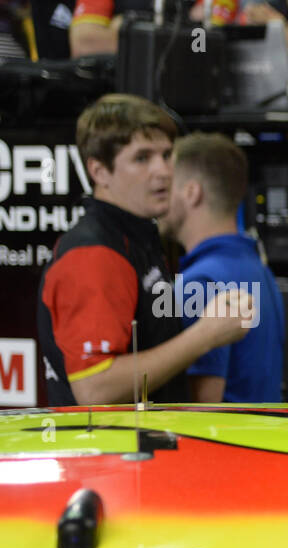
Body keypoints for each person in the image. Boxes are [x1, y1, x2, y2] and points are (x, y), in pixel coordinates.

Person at [36, 94, 250, 406]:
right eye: (142, 158)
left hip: (142, 449)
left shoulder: (140, 237)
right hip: (105, 452)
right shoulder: (95, 253)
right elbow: (95, 389)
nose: (162, 170)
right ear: (99, 172)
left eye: (166, 155)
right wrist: (206, 335)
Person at [162, 132, 286, 403]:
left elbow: (200, 415)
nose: (158, 197)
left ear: (191, 193)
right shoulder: (258, 270)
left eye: (166, 186)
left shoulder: (199, 283)